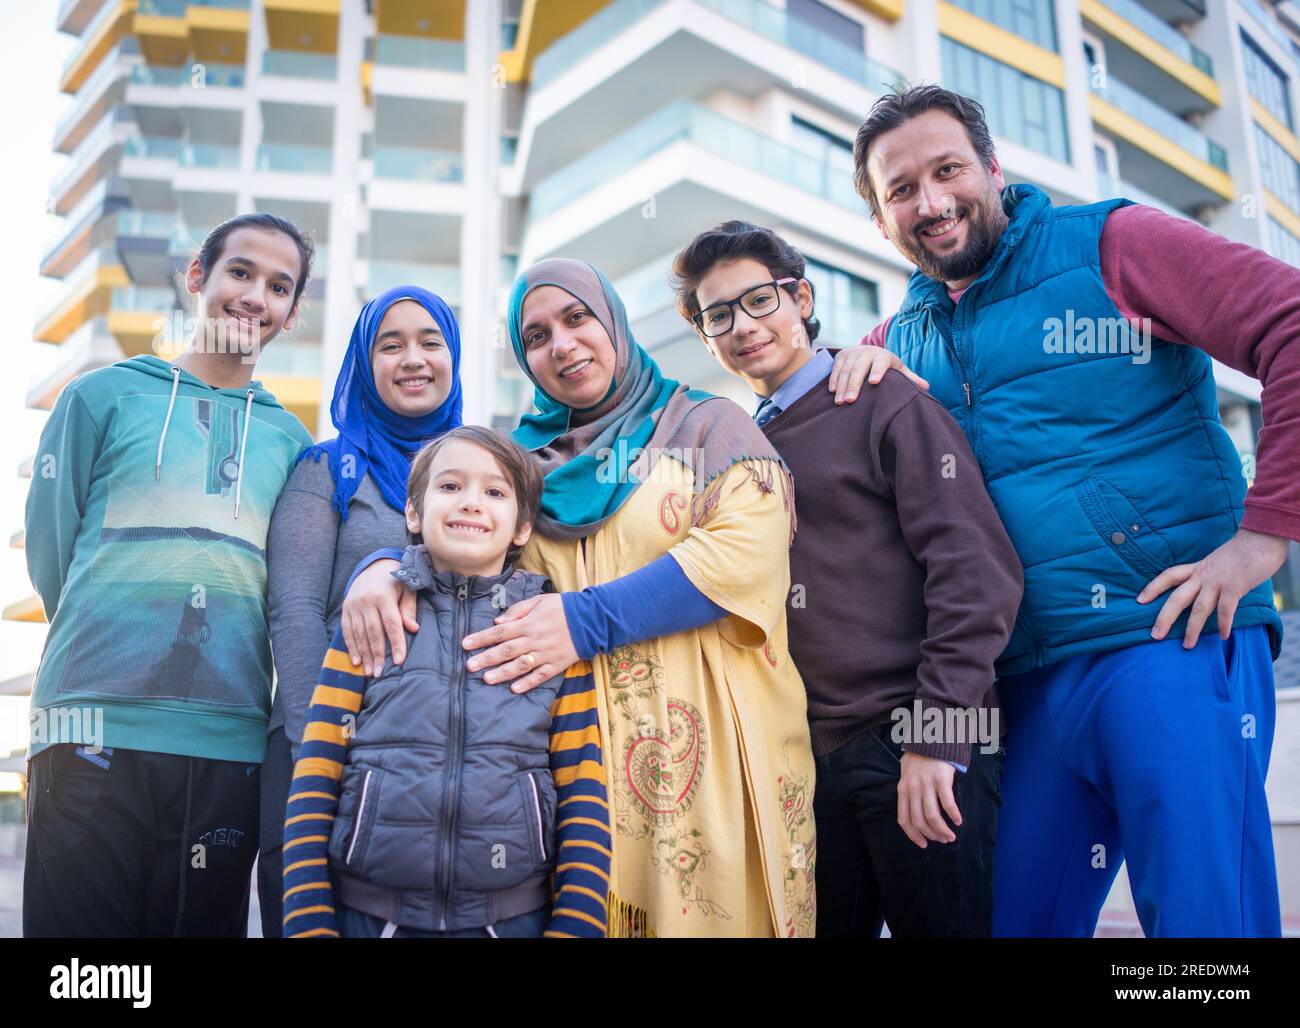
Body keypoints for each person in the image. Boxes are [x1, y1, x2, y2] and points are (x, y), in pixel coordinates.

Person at [849, 84, 1297, 937]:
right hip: (1019, 683)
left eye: (948, 171)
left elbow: (1292, 320)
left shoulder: (1113, 243)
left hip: (1166, 634)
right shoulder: (891, 346)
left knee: (1207, 935)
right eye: (901, 189)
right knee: (1007, 920)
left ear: (992, 169)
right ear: (880, 220)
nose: (931, 202)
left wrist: (1265, 536)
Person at [340, 258, 817, 937]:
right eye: (535, 336)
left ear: (613, 322)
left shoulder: (707, 426)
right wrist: (382, 564)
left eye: (575, 319)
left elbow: (746, 554)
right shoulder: (519, 465)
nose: (560, 345)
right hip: (576, 771)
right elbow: (456, 546)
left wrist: (583, 620)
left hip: (713, 765)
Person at [670, 220, 1023, 937]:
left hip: (913, 739)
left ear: (800, 297)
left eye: (759, 300)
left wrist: (938, 739)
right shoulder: (740, 446)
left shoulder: (884, 401)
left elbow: (977, 572)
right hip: (805, 758)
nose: (743, 326)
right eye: (719, 316)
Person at [24, 213, 316, 937]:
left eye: (279, 286)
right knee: (84, 978)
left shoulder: (293, 443)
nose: (255, 297)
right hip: (89, 726)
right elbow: (54, 555)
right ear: (198, 278)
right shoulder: (99, 397)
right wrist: (127, 634)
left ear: (292, 313)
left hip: (226, 746)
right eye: (240, 273)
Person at [282, 426, 606, 938]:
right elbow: (315, 777)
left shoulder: (546, 634)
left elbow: (584, 790)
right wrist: (308, 921)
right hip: (369, 915)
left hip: (510, 917)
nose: (471, 503)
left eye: (495, 492)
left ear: (522, 527)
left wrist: (577, 925)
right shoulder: (373, 624)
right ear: (414, 512)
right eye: (451, 486)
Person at [259, 286, 462, 936]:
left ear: (454, 357)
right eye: (390, 343)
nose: (413, 358)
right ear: (364, 362)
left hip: (440, 756)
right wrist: (322, 752)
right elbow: (292, 611)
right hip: (318, 753)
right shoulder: (330, 468)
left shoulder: (483, 472)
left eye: (431, 342)